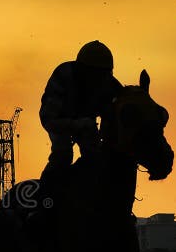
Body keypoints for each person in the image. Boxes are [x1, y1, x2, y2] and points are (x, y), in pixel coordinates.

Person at [39, 40, 122, 185]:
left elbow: (116, 114)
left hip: (87, 122)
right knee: (62, 154)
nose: (99, 81)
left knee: (96, 157)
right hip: (59, 120)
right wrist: (76, 124)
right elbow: (49, 119)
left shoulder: (109, 84)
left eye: (103, 76)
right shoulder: (63, 76)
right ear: (83, 71)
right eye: (95, 76)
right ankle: (45, 194)